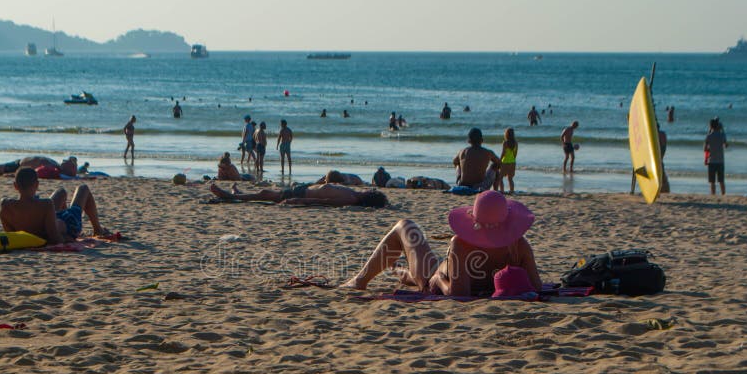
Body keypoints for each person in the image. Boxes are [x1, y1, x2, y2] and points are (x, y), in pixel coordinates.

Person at [340, 191, 541, 296]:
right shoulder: (519, 245)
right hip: (446, 269)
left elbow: (458, 293)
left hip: (433, 276)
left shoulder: (462, 244)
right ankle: (397, 270)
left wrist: (438, 281)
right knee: (412, 270)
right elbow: (537, 287)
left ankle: (360, 281)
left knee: (405, 226)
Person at [0, 167, 109, 245]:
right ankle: (98, 229)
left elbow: (12, 236)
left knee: (61, 192)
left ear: (15, 186)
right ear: (37, 185)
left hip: (48, 219)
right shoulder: (46, 204)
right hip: (69, 224)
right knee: (83, 189)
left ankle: (67, 215)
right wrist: (68, 237)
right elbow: (55, 239)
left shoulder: (6, 208)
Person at [209, 182, 388, 208]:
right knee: (267, 192)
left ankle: (232, 196)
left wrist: (299, 200)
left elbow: (324, 201)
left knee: (266, 194)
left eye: (371, 192)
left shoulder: (350, 199)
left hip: (302, 193)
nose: (369, 189)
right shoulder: (353, 192)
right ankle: (239, 194)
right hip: (303, 187)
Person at [0, 155, 78, 178]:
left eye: (67, 161)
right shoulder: (55, 166)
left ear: (70, 168)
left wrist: (14, 174)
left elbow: (36, 172)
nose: (64, 160)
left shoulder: (53, 170)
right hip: (19, 163)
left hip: (18, 167)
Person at [704, 117, 728, 195]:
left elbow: (705, 149)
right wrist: (722, 129)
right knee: (721, 181)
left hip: (712, 160)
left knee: (712, 182)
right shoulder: (722, 135)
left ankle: (713, 194)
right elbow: (726, 145)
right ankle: (723, 194)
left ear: (711, 126)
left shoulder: (709, 136)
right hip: (720, 160)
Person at [498, 128, 518, 194]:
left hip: (505, 162)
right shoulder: (516, 143)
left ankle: (502, 191)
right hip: (512, 162)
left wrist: (499, 160)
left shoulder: (505, 143)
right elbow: (515, 154)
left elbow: (503, 153)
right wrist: (512, 160)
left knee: (500, 178)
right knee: (510, 179)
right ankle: (511, 191)